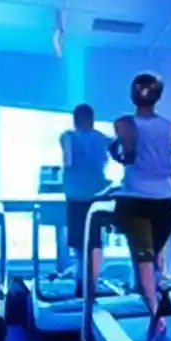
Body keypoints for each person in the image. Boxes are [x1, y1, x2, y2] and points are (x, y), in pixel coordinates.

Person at [109, 73, 171, 341]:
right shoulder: (170, 127)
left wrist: (122, 156)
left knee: (143, 259)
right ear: (158, 97)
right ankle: (153, 295)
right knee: (150, 259)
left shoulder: (124, 122)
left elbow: (130, 151)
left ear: (132, 95)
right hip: (165, 201)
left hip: (135, 198)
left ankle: (155, 312)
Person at [59, 103, 111, 293]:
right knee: (94, 240)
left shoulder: (68, 137)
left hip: (75, 194)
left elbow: (68, 161)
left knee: (79, 242)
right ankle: (92, 282)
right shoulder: (102, 138)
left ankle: (82, 280)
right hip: (97, 193)